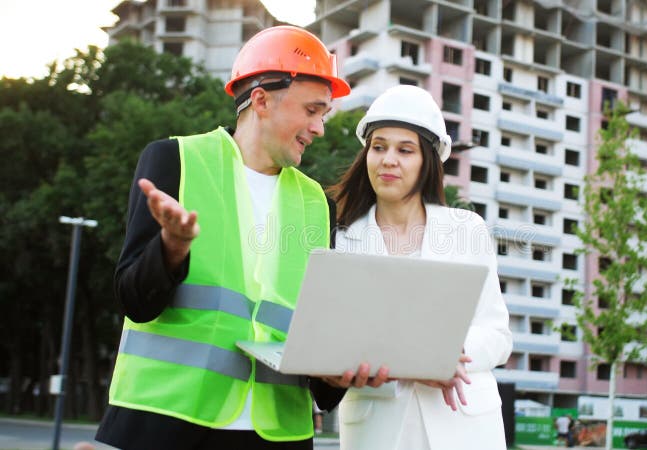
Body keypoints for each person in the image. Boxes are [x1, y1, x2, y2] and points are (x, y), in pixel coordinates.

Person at [95, 25, 387, 450]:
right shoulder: (175, 160)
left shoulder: (315, 203)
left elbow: (313, 339)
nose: (319, 128)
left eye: (323, 114)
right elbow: (134, 302)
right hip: (166, 423)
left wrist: (336, 372)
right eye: (312, 110)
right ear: (261, 100)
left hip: (277, 434)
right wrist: (172, 246)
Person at [329, 84, 513, 450]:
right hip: (378, 427)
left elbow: (497, 335)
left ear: (427, 160)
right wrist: (417, 361)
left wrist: (445, 355)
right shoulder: (339, 236)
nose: (388, 159)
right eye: (378, 147)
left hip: (464, 426)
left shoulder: (466, 230)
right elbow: (334, 340)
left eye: (405, 150)